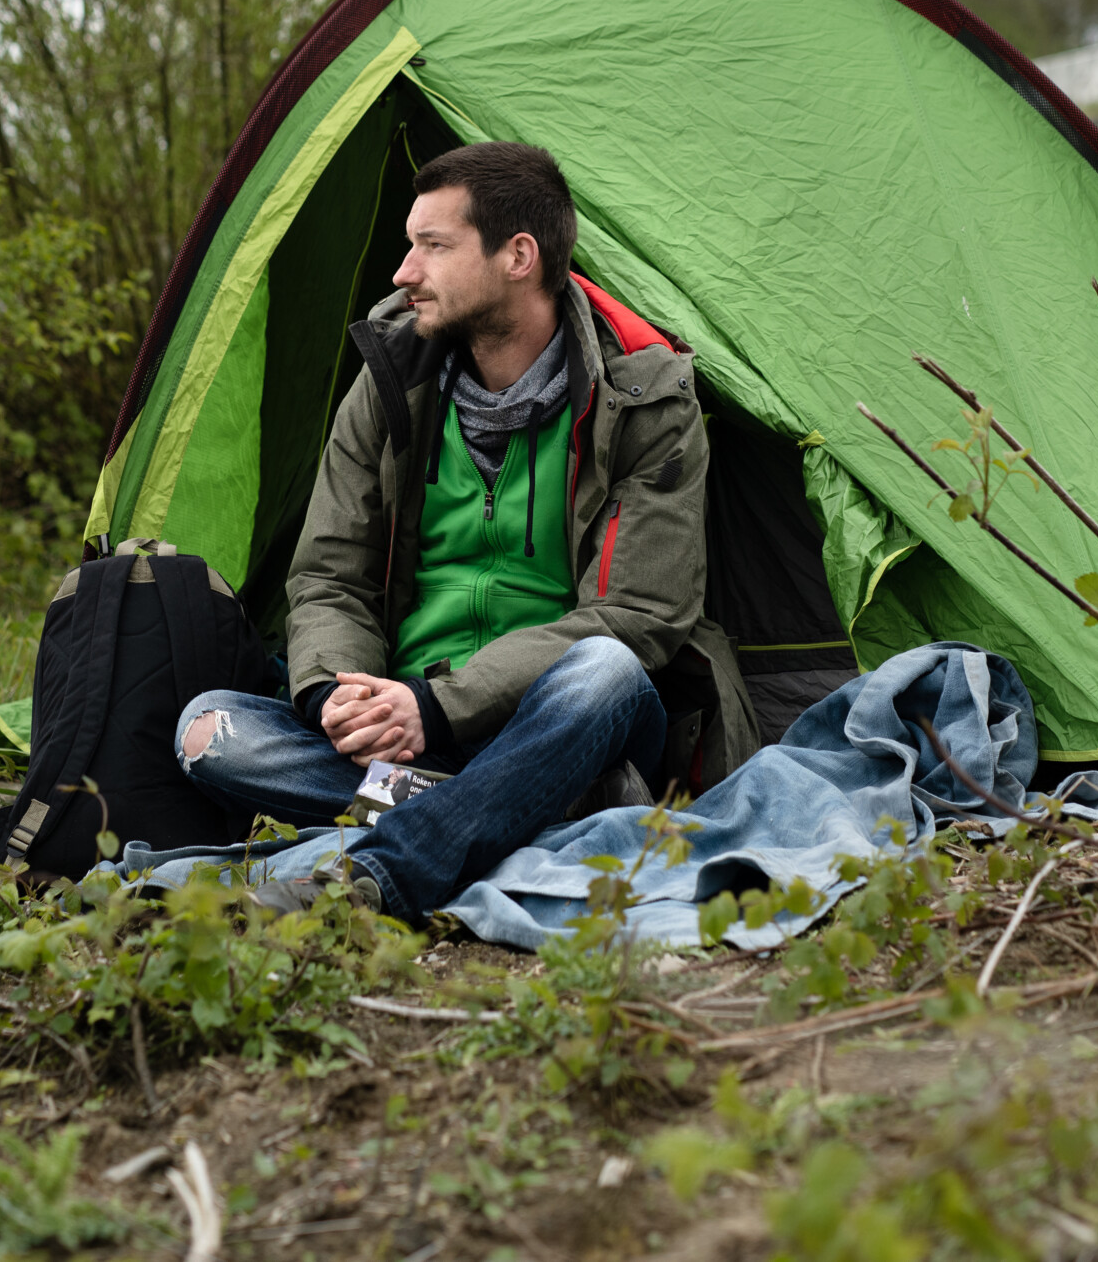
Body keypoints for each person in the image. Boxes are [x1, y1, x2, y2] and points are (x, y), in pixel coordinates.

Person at [174, 141, 738, 920]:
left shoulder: (643, 397)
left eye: (432, 247)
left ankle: (385, 869)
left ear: (518, 256)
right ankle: (518, 811)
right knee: (209, 730)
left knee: (607, 670)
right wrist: (338, 695)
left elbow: (639, 615)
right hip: (409, 735)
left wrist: (440, 704)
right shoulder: (389, 382)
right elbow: (329, 575)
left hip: (553, 715)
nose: (404, 272)